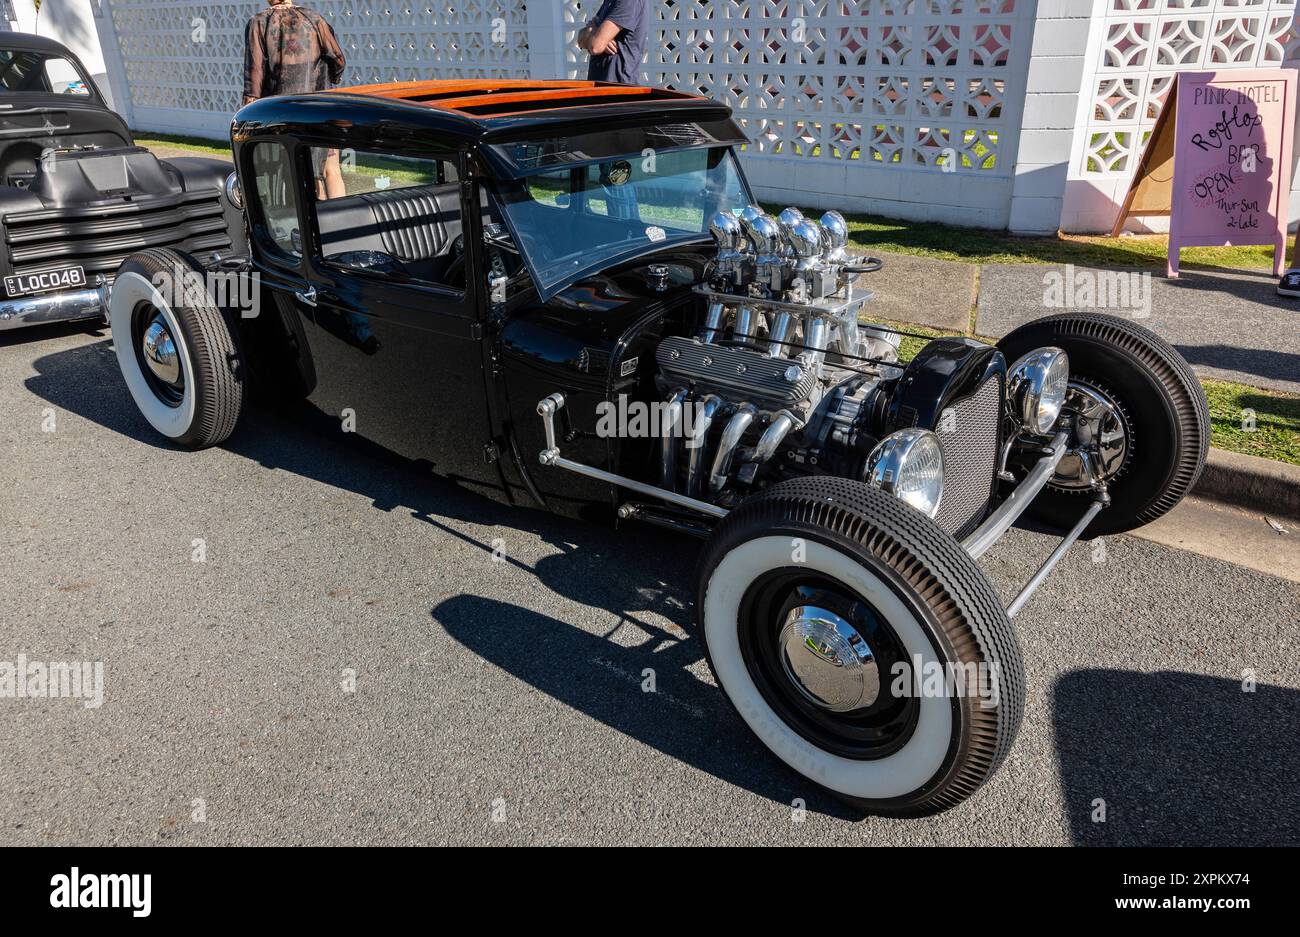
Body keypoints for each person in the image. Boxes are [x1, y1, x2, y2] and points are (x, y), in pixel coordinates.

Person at [243, 0, 347, 199]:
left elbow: (254, 72)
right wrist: (332, 78)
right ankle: (342, 225)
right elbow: (338, 58)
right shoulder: (314, 18)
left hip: (285, 114)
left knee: (301, 176)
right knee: (330, 171)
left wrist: (248, 111)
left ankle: (314, 227)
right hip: (321, 108)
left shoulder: (259, 22)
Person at [577, 0, 650, 85]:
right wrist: (594, 32)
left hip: (618, 88)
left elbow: (595, 47)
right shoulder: (609, 1)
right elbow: (580, 40)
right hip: (602, 86)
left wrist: (595, 33)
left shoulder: (629, 2)